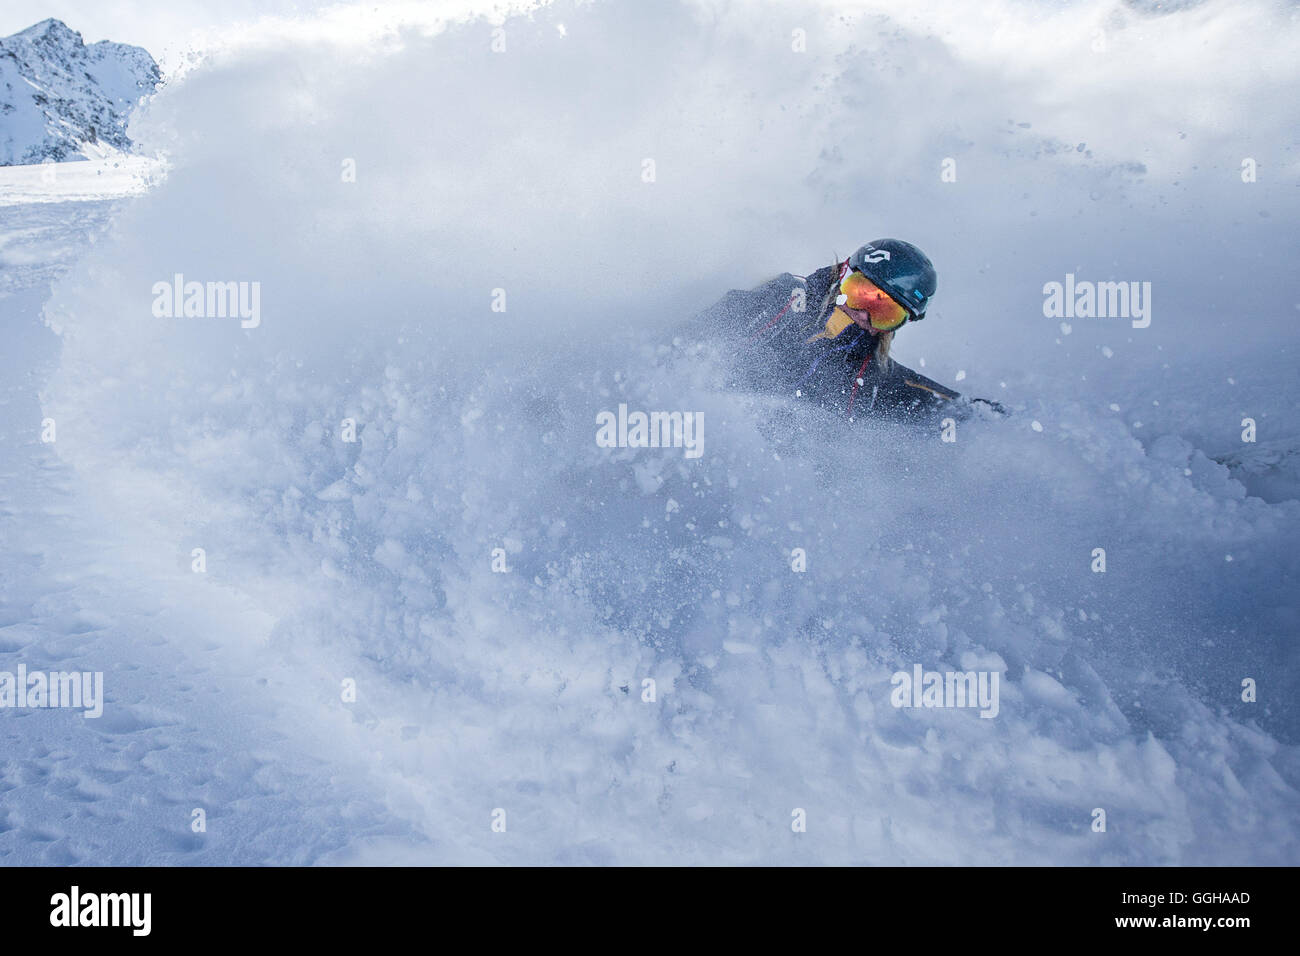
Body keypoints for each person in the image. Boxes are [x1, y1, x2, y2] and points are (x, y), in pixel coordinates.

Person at [697, 239, 1002, 420]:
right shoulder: (782, 301)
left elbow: (946, 405)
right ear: (843, 274)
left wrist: (993, 419)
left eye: (886, 311)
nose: (863, 314)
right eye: (861, 292)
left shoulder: (869, 377)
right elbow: (687, 339)